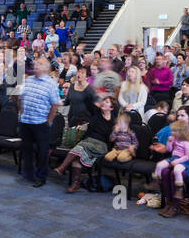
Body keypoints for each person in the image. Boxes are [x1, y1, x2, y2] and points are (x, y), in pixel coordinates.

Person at [55, 95, 115, 193]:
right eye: (104, 100)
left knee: (80, 147)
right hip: (88, 142)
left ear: (111, 108)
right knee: (77, 159)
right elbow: (88, 104)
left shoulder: (113, 121)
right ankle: (76, 184)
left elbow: (111, 139)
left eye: (107, 102)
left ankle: (62, 167)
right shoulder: (96, 115)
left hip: (101, 145)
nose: (104, 103)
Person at [17, 56, 59, 188]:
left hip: (41, 123)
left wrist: (49, 121)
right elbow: (20, 97)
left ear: (46, 69)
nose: (36, 65)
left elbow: (54, 105)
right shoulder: (28, 80)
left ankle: (41, 177)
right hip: (26, 121)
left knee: (42, 151)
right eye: (35, 63)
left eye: (39, 64)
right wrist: (21, 112)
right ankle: (29, 173)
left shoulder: (50, 84)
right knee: (26, 149)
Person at [154, 119, 189, 218]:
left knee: (176, 171)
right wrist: (169, 142)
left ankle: (177, 198)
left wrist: (177, 162)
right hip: (173, 158)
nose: (172, 132)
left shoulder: (187, 143)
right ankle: (168, 202)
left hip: (182, 161)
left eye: (174, 131)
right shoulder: (175, 139)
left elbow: (188, 156)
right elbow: (169, 150)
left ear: (181, 132)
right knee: (162, 168)